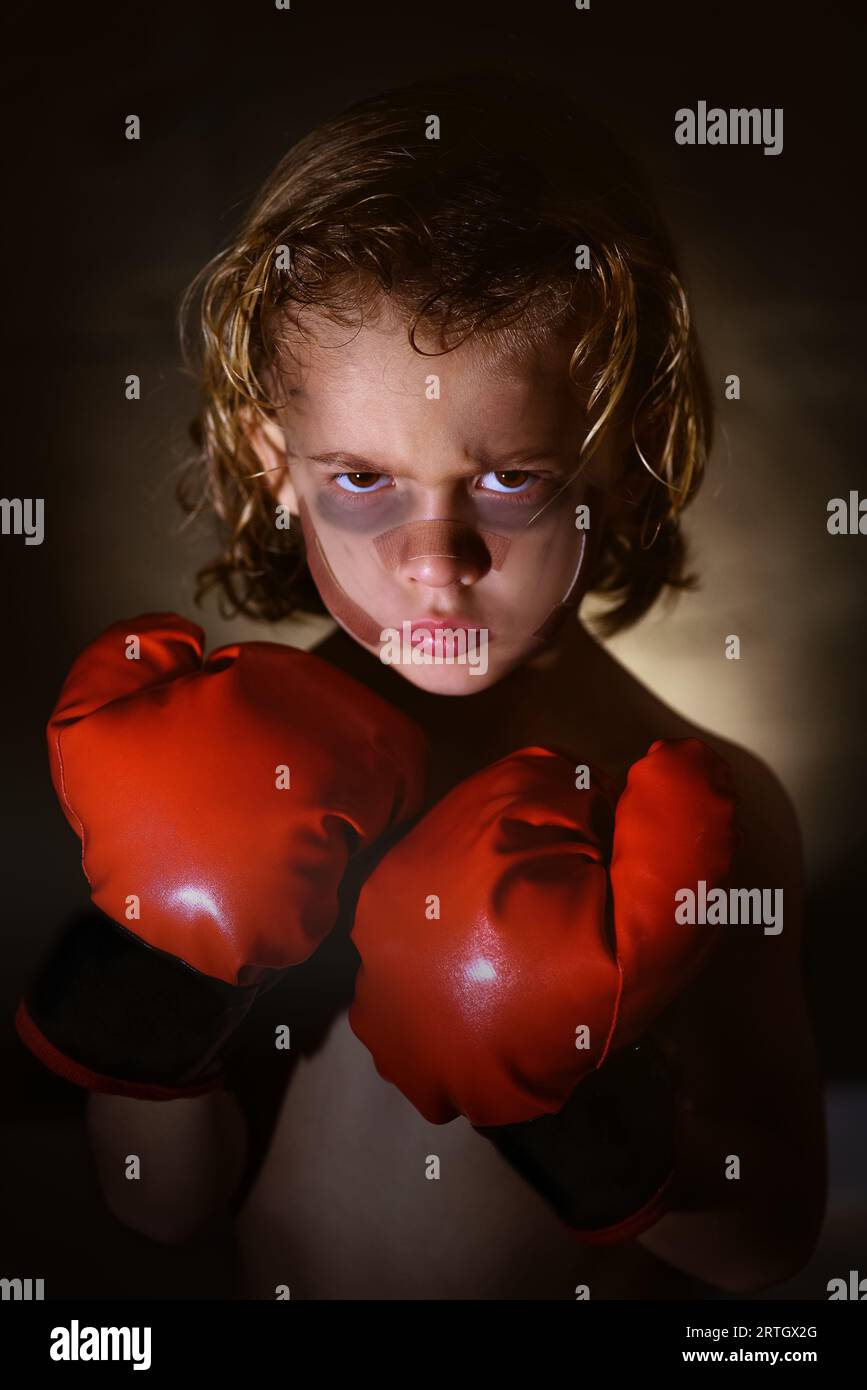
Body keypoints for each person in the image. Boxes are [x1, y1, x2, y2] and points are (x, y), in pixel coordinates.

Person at [18, 71, 826, 1300]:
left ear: (625, 453)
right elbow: (159, 1211)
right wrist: (165, 983)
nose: (432, 560)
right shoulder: (240, 782)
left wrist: (571, 1102)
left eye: (509, 479)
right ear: (270, 463)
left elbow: (767, 1244)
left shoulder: (710, 814)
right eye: (361, 479)